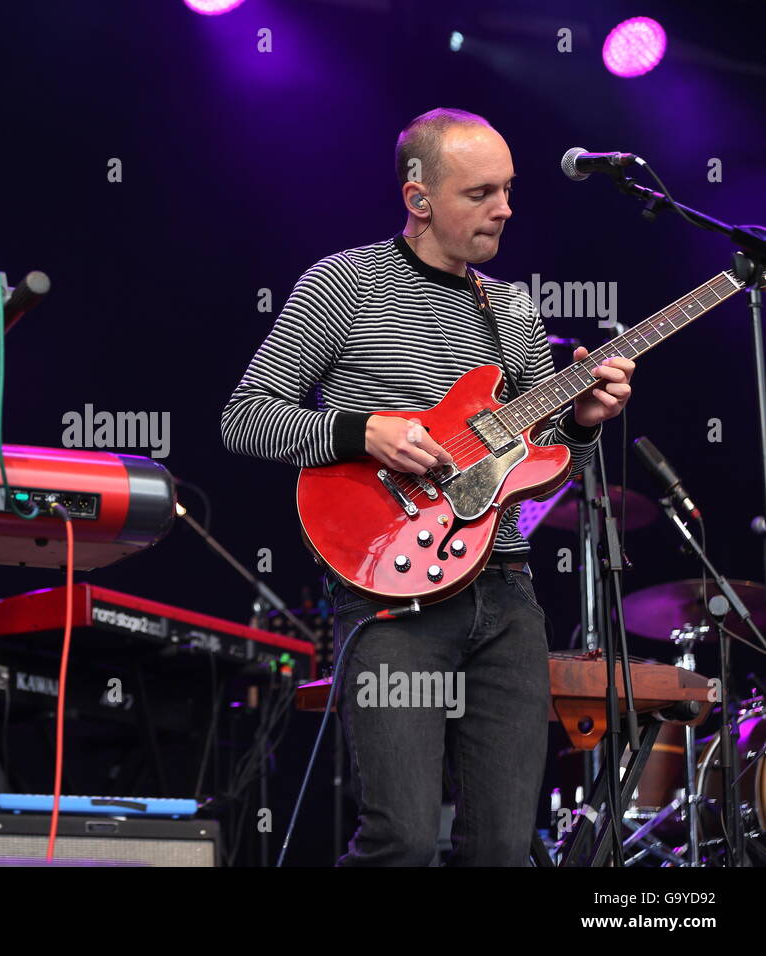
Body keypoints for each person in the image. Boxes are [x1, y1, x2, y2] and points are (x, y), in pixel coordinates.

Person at [221, 107, 634, 865]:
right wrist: (360, 430)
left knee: (504, 850)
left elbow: (540, 469)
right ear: (418, 198)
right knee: (401, 841)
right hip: (391, 601)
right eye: (480, 193)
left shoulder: (510, 307)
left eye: (508, 190)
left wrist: (581, 423)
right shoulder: (343, 283)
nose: (505, 207)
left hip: (506, 595)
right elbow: (245, 417)